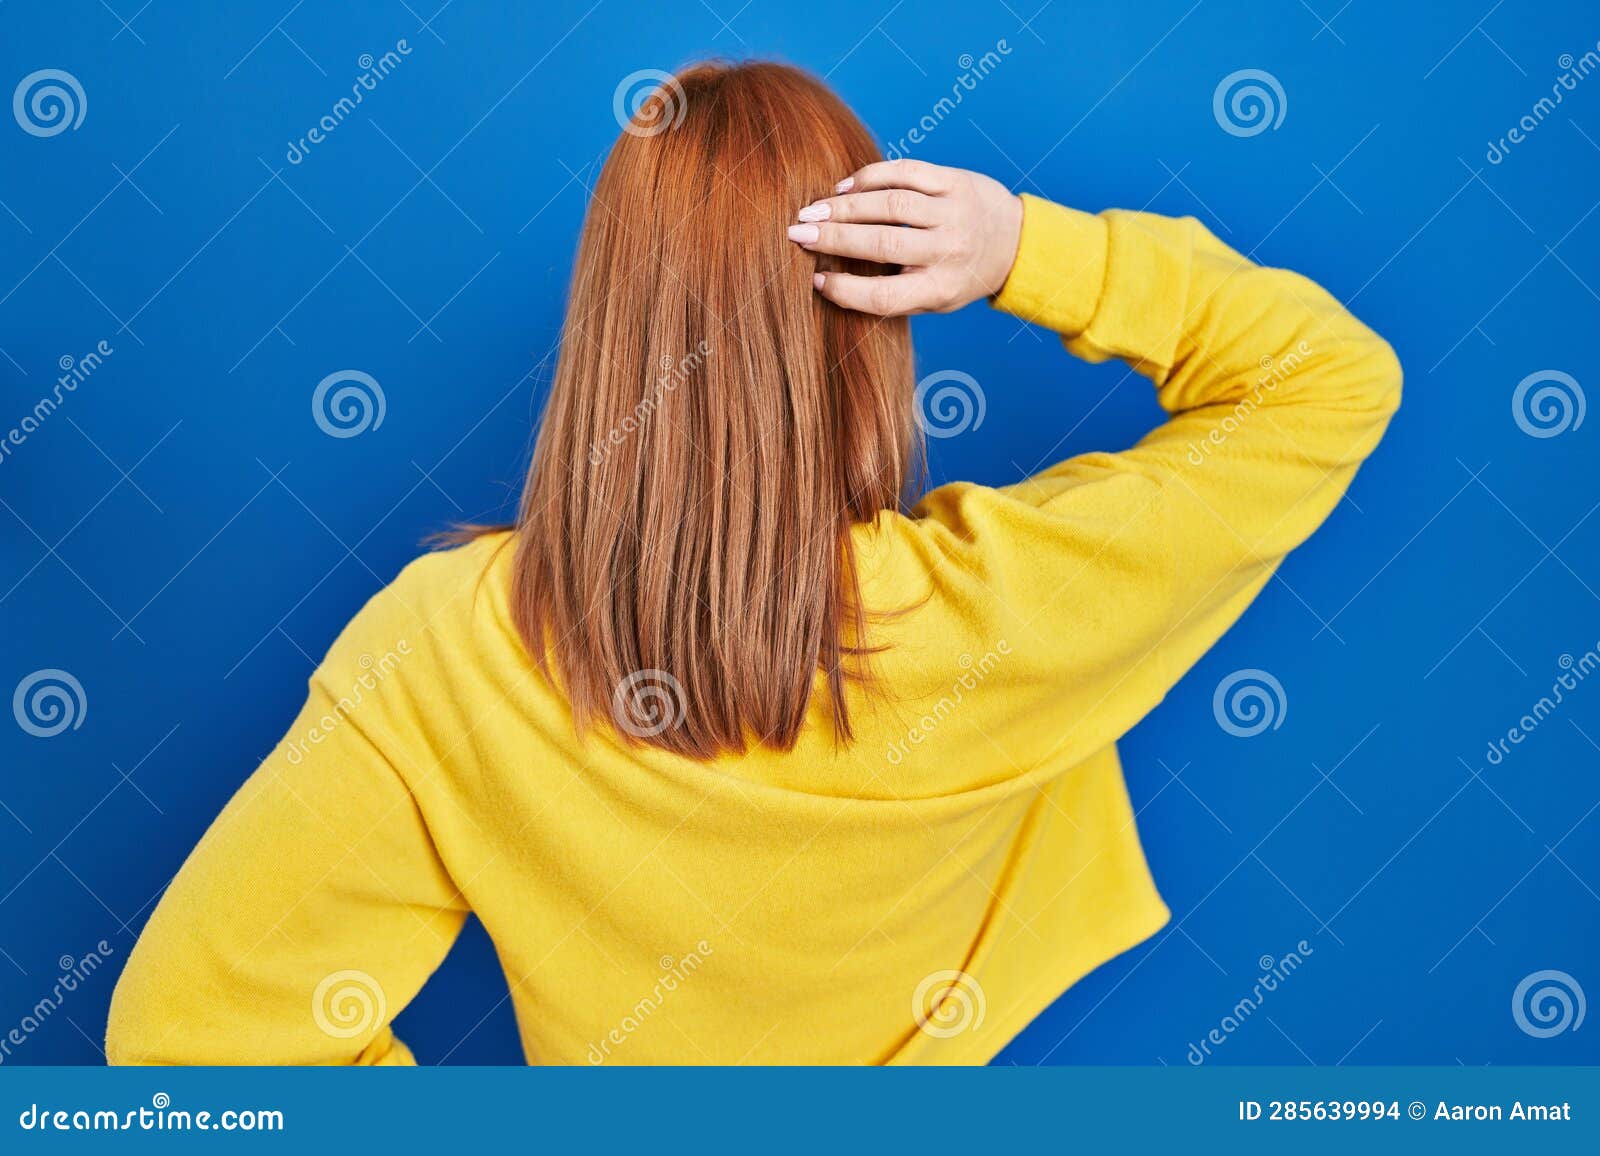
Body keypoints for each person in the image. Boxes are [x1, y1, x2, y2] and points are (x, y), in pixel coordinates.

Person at [107, 60, 1400, 1065]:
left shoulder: (453, 648)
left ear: (612, 316)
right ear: (873, 331)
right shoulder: (1000, 608)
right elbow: (1332, 381)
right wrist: (1021, 247)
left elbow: (189, 1046)